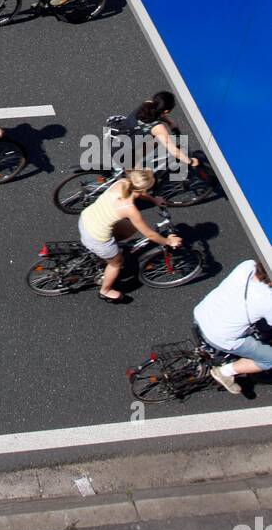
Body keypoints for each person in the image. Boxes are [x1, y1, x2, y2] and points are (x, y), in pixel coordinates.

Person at [78, 168, 181, 303]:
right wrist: (168, 241)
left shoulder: (121, 183)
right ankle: (105, 291)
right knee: (116, 264)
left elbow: (139, 192)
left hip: (87, 219)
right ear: (142, 189)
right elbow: (150, 234)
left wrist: (153, 200)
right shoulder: (129, 209)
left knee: (131, 228)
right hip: (96, 237)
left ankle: (108, 252)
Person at [194, 260, 272, 394]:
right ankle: (224, 372)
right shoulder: (268, 299)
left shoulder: (248, 265)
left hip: (202, 313)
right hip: (219, 336)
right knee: (268, 359)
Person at [121, 92, 202, 175]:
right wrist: (191, 162)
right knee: (147, 179)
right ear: (166, 111)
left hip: (116, 138)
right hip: (122, 154)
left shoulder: (147, 105)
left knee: (154, 141)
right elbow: (174, 151)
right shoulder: (158, 128)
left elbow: (158, 114)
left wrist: (170, 122)